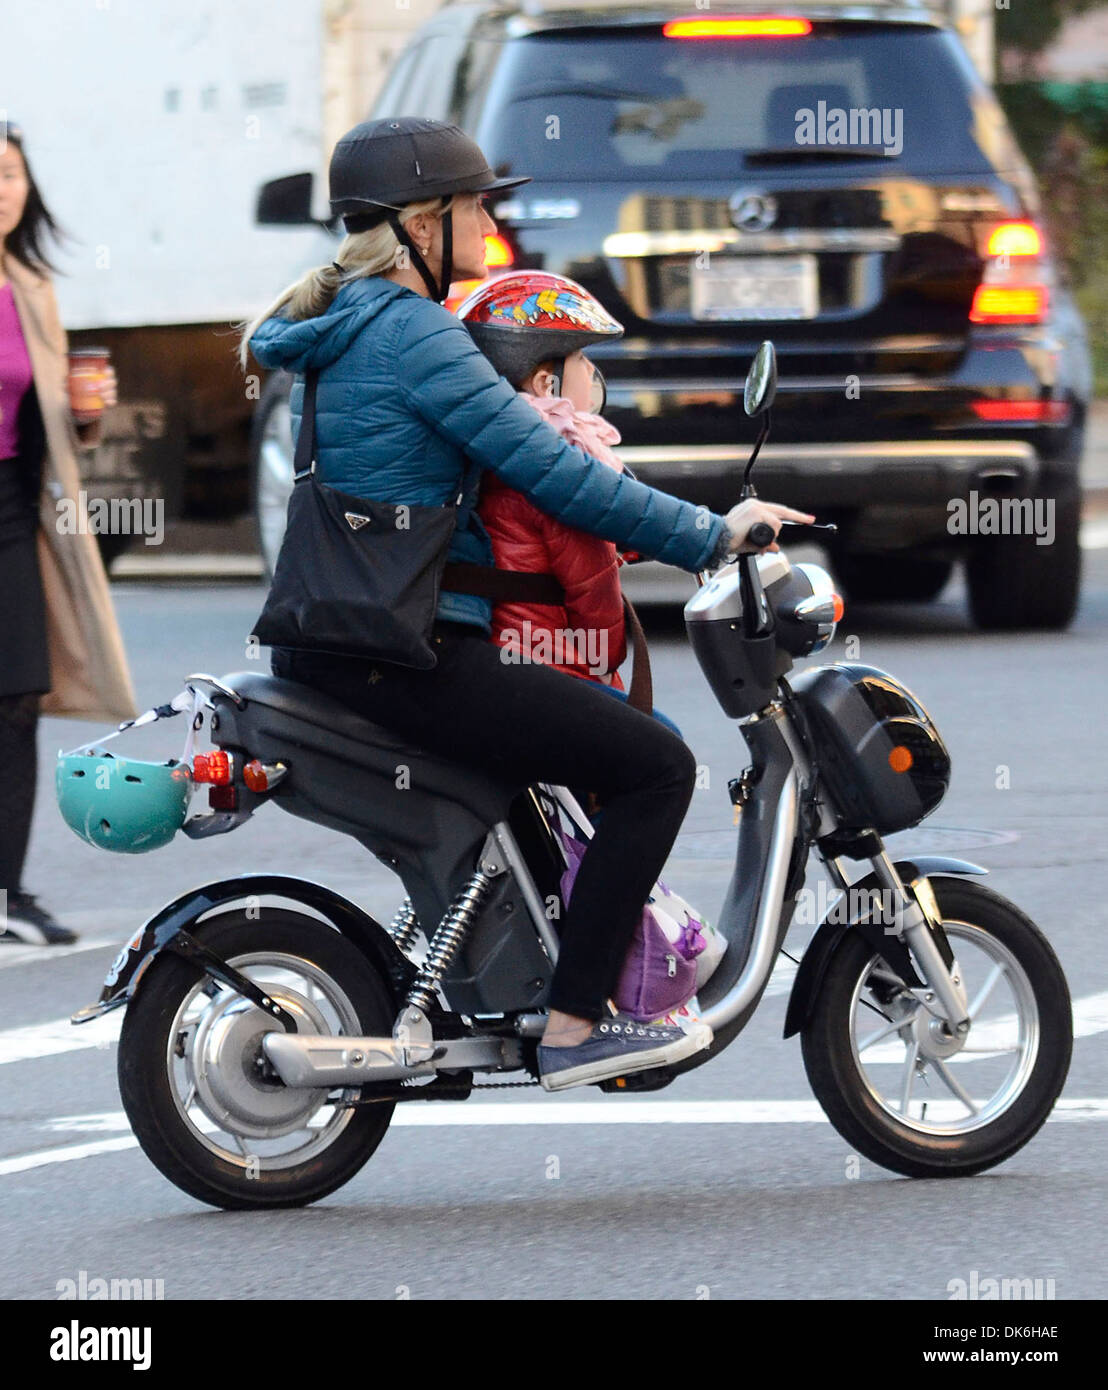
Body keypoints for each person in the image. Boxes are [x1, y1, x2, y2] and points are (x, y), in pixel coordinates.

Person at [240, 117, 812, 1091]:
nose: (489, 227)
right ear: (425, 222)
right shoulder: (416, 333)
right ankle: (578, 1022)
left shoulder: (342, 326)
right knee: (655, 765)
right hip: (407, 652)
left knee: (558, 760)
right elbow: (552, 469)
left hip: (334, 642)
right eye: (477, 208)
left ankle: (544, 968)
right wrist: (710, 535)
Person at [0, 119, 137, 944]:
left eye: (13, 174)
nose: (3, 190)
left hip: (11, 507)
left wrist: (85, 417)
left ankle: (5, 893)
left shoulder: (29, 285)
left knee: (18, 696)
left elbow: (47, 414)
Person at [460, 269, 683, 737]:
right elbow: (595, 597)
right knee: (665, 753)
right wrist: (608, 655)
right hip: (551, 664)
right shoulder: (560, 463)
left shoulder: (493, 445)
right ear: (547, 385)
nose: (591, 372)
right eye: (580, 357)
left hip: (496, 651)